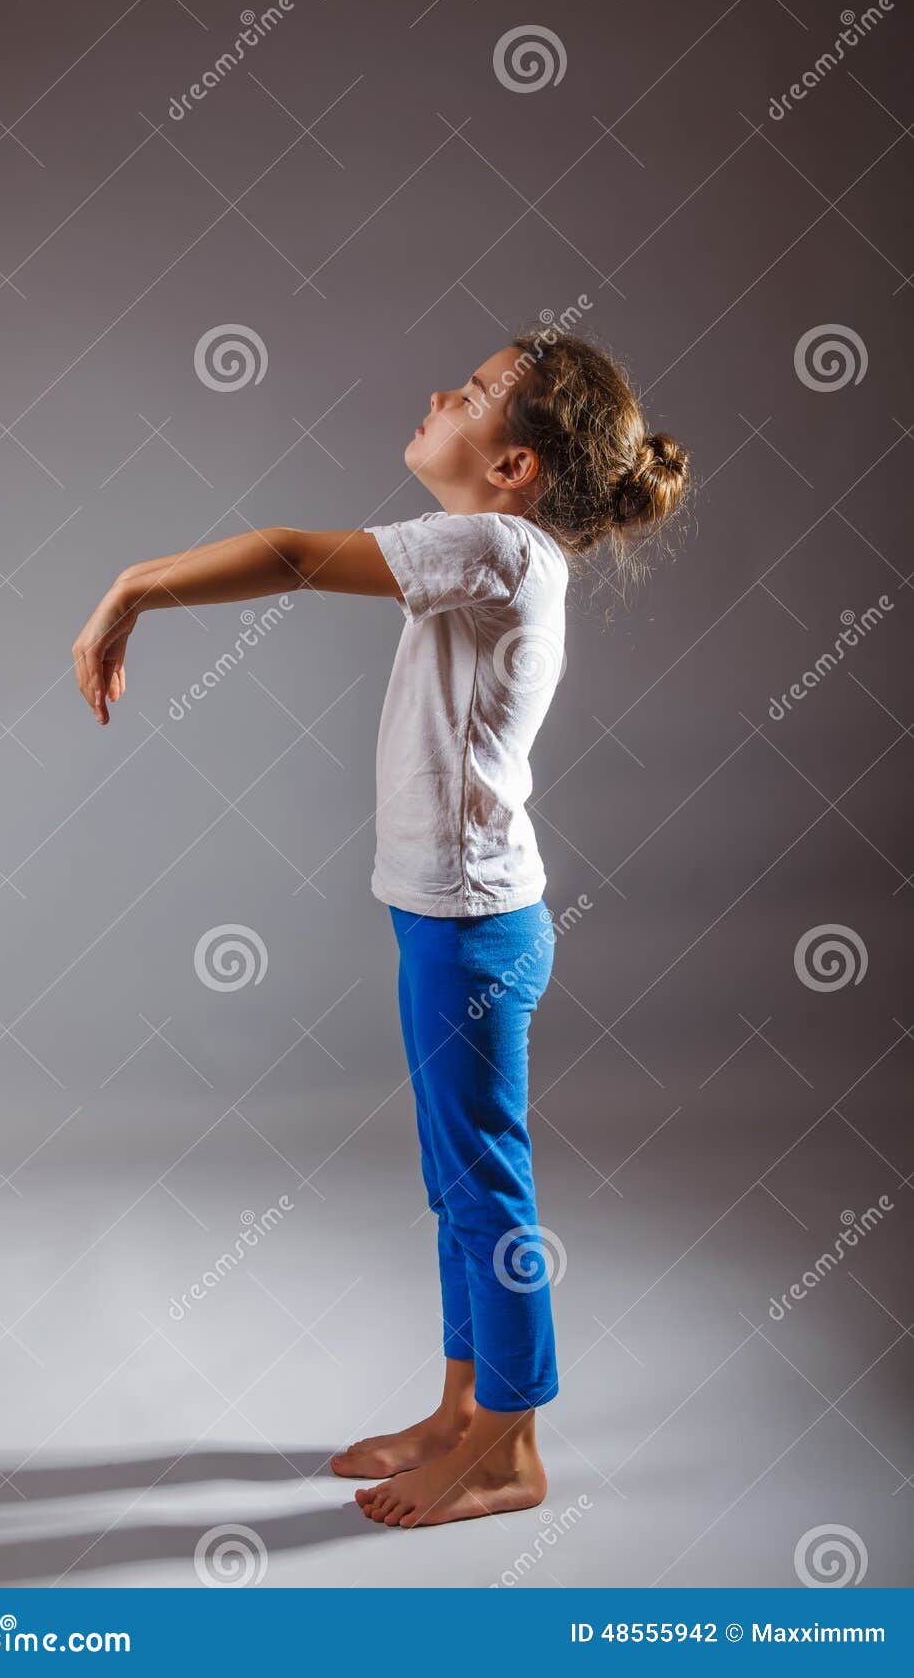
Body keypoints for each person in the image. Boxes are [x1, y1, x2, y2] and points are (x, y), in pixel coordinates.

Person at [71, 325, 690, 1530]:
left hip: (471, 930)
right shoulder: (499, 551)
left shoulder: (501, 549)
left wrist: (132, 585)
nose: (434, 393)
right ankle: (462, 1410)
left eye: (468, 393)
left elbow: (301, 554)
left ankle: (511, 1449)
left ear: (511, 465)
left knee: (484, 1188)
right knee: (452, 1182)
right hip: (444, 920)